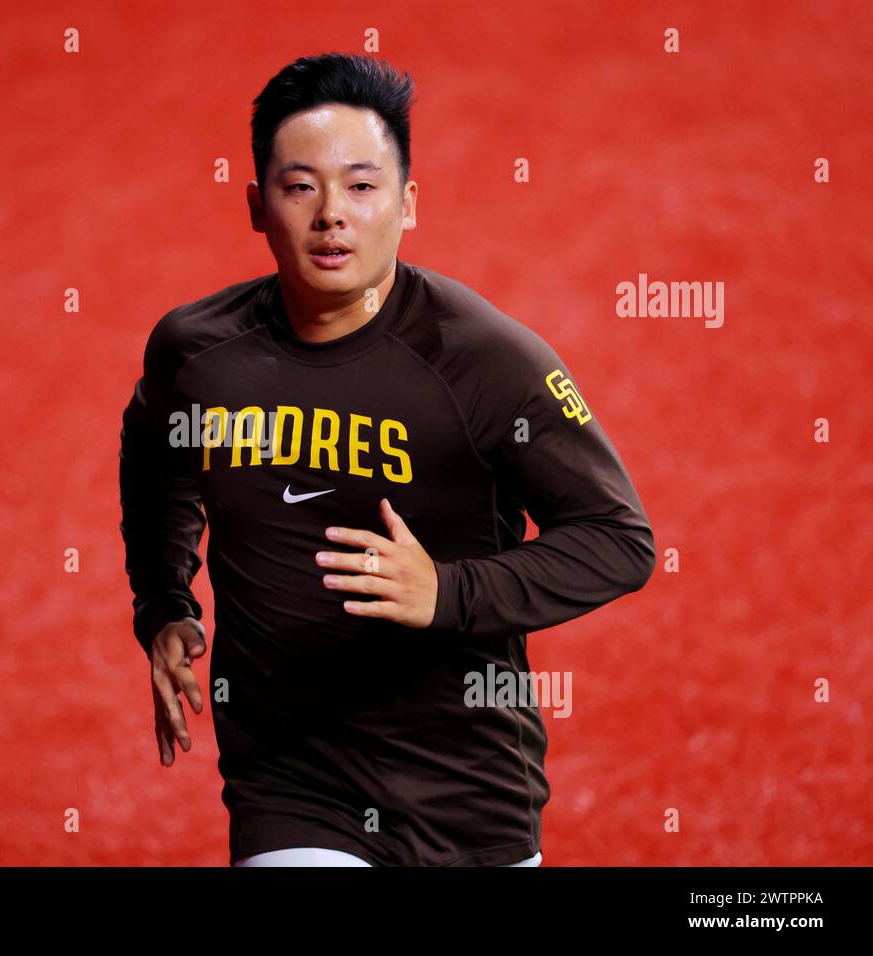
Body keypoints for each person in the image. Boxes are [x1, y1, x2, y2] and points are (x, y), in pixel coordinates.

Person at [118, 53, 655, 867]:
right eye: (301, 187)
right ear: (257, 206)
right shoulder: (198, 356)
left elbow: (620, 539)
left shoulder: (485, 361)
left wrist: (447, 590)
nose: (333, 214)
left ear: (407, 205)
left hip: (466, 790)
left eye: (363, 187)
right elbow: (155, 454)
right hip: (290, 781)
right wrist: (163, 603)